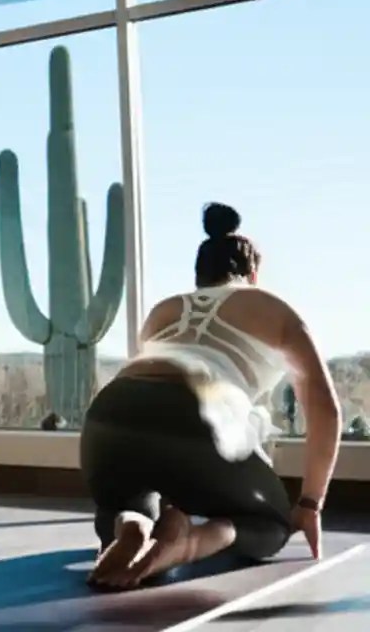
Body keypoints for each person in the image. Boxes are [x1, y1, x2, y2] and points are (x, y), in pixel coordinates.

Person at [82, 203, 342, 589]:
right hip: (196, 407)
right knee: (271, 525)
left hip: (108, 414)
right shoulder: (270, 306)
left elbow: (153, 413)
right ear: (252, 274)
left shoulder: (163, 311)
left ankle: (131, 522)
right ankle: (186, 543)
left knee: (118, 502)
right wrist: (309, 504)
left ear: (199, 277)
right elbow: (324, 406)